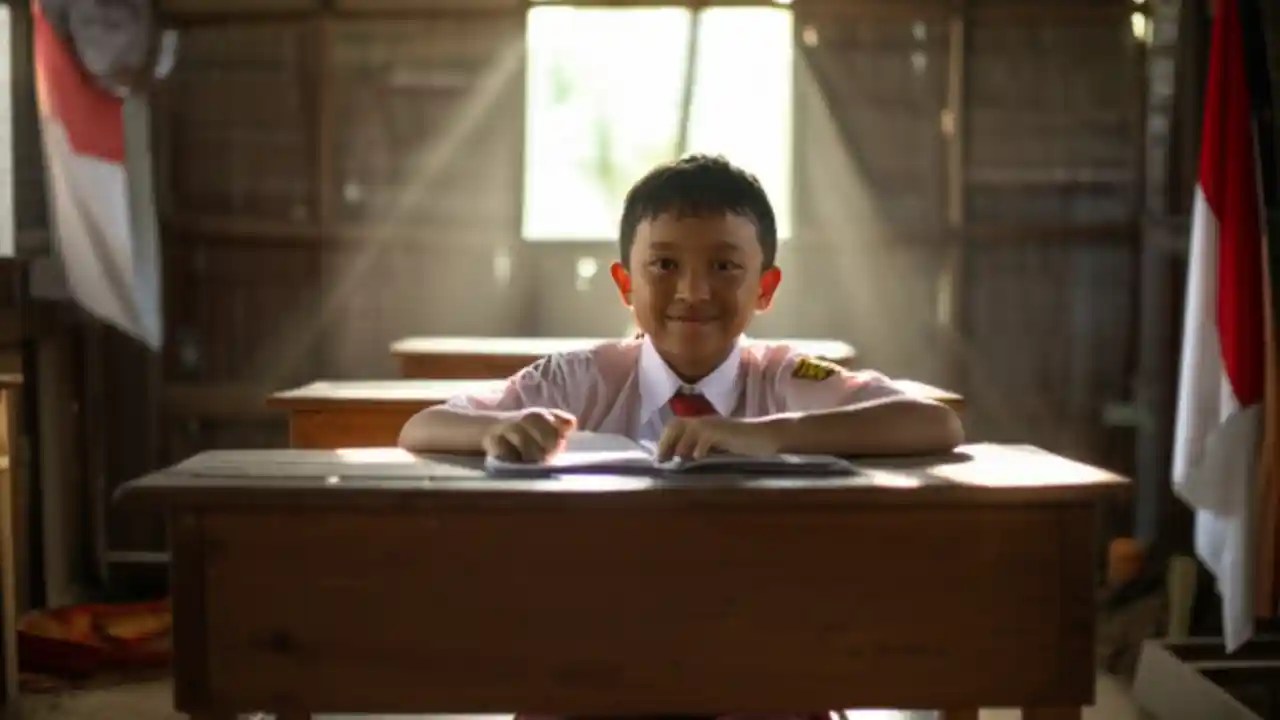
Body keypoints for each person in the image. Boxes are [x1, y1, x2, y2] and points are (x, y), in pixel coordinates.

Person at [400, 154, 962, 461]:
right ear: (625, 283)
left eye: (724, 267)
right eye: (665, 265)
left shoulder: (784, 379)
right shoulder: (581, 379)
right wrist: (498, 429)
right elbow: (421, 428)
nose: (693, 291)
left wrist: (771, 434)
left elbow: (935, 423)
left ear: (765, 288)